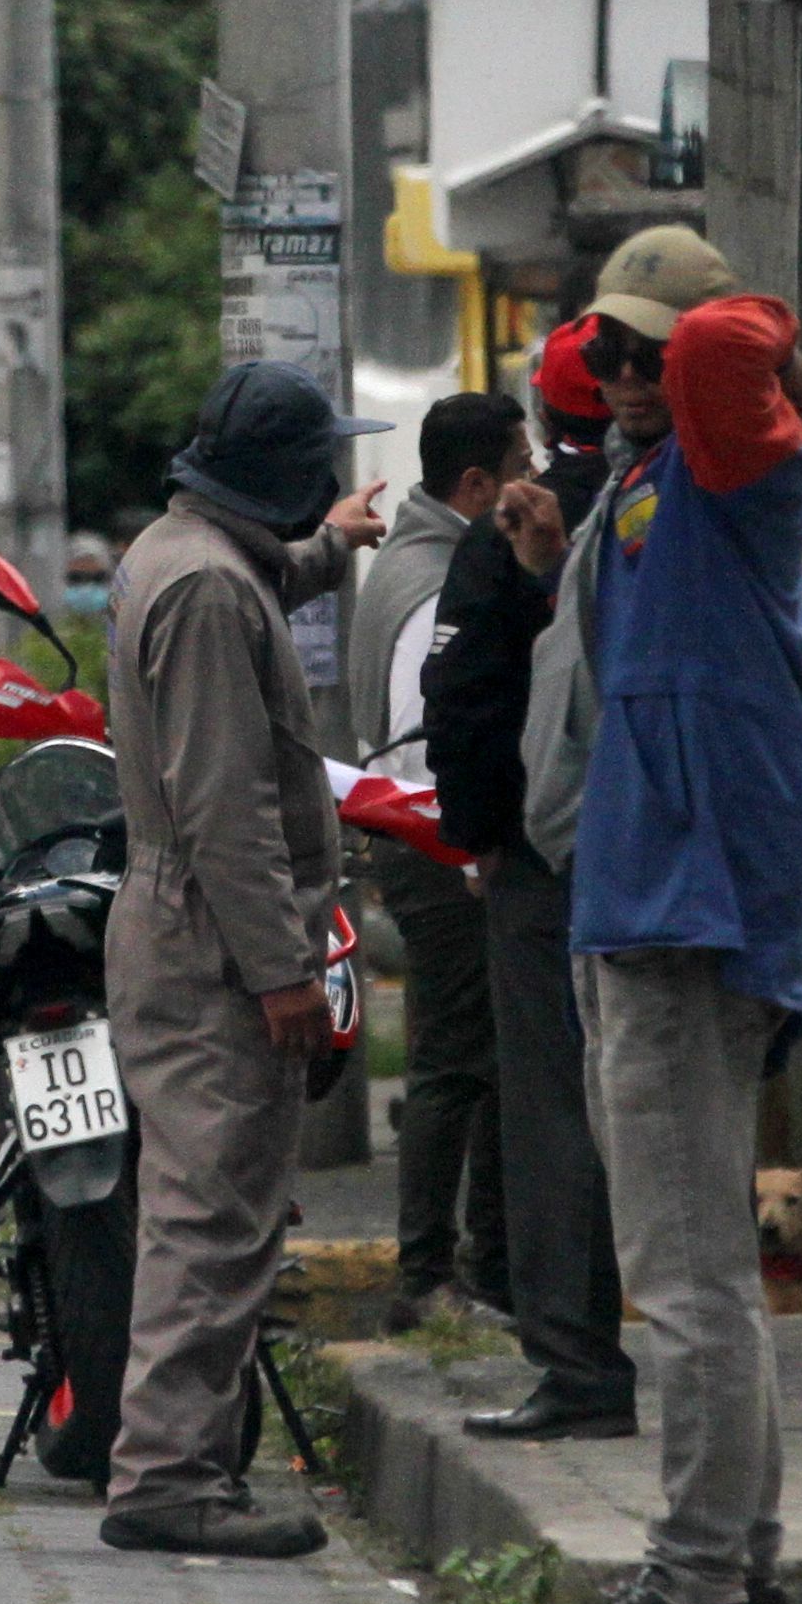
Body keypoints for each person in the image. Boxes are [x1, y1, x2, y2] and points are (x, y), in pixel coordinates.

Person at [516, 225, 802, 1604]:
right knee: (698, 1269)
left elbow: (729, 344)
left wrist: (682, 318)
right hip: (639, 896)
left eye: (648, 347)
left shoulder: (740, 455)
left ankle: (695, 1575)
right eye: (610, 349)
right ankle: (737, 1570)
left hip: (687, 910)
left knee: (688, 1274)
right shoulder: (645, 479)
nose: (627, 370)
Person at [98, 362, 390, 1557]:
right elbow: (225, 807)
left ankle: (181, 1460)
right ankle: (169, 1476)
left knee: (204, 1205)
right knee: (211, 1213)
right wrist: (282, 973)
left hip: (184, 922)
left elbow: (258, 581)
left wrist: (328, 547)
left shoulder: (181, 553)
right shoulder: (212, 593)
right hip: (212, 937)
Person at [425, 317, 636, 1443]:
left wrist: (481, 837)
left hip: (549, 866)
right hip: (672, 852)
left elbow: (459, 703)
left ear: (546, 424)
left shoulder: (522, 524)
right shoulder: (673, 507)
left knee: (554, 1111)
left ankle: (579, 1361)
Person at [349, 392, 530, 1329]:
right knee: (461, 1060)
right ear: (476, 483)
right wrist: (467, 846)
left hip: (427, 834)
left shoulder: (414, 557)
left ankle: (476, 1271)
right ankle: (433, 1277)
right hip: (436, 839)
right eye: (522, 468)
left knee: (474, 1055)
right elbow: (431, 734)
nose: (535, 486)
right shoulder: (439, 575)